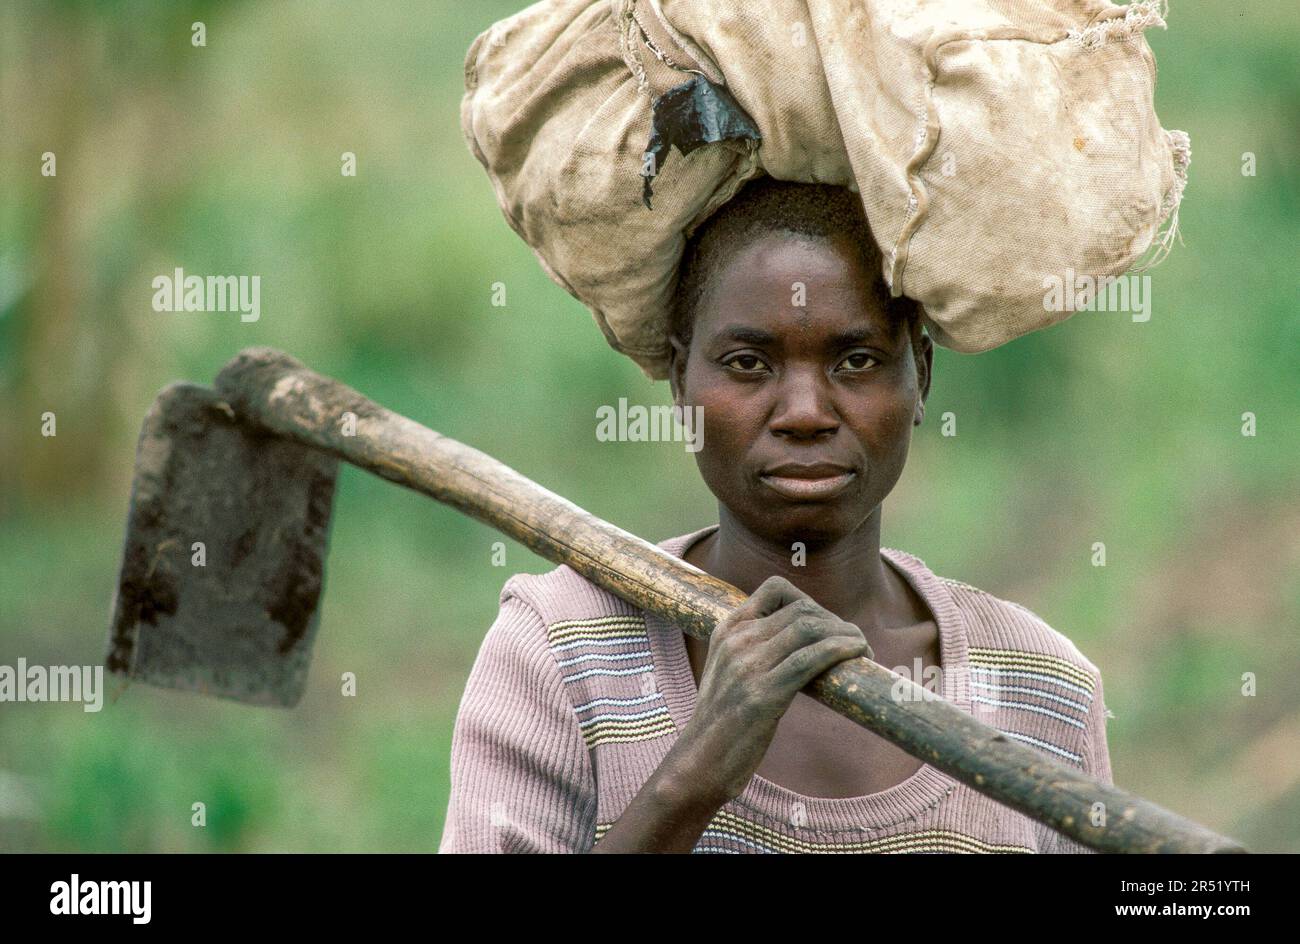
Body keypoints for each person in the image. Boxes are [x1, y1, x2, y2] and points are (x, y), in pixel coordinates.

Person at [437, 175, 1113, 854]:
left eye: (856, 360)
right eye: (748, 363)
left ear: (922, 376)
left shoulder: (1041, 687)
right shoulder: (561, 653)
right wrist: (694, 777)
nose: (805, 413)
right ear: (680, 383)